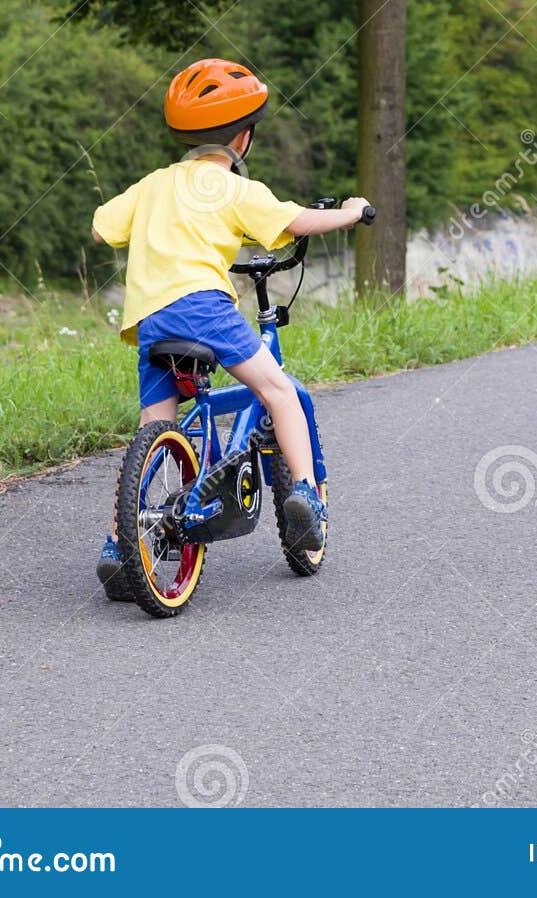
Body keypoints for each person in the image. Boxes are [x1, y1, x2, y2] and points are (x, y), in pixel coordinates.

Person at [91, 57, 370, 600]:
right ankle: (306, 498)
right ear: (242, 138)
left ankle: (120, 546)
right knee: (279, 391)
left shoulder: (153, 184)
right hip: (203, 307)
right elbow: (294, 223)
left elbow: (104, 230)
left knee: (156, 426)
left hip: (150, 317)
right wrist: (352, 213)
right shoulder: (235, 189)